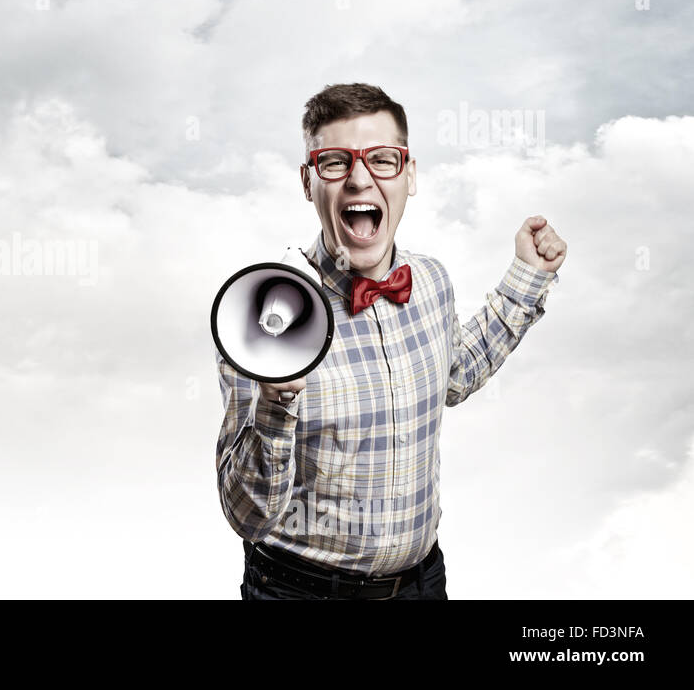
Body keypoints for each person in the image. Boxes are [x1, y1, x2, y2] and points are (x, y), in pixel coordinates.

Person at [216, 83, 566, 600]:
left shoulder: (429, 280)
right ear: (308, 182)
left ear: (409, 175)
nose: (360, 179)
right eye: (335, 162)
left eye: (382, 159)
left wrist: (527, 276)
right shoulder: (261, 316)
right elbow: (249, 515)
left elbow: (454, 374)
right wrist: (276, 399)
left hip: (421, 585)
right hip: (300, 592)